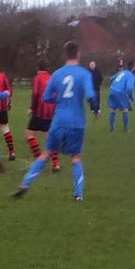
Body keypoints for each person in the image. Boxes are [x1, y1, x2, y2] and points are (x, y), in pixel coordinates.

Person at [15, 42, 97, 201]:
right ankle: (78, 195)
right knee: (75, 157)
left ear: (65, 54)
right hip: (77, 121)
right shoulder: (84, 73)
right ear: (78, 54)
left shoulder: (57, 74)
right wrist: (96, 109)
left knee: (45, 154)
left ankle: (25, 184)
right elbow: (90, 95)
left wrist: (59, 99)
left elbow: (46, 97)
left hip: (59, 120)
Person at [25, 59, 60, 173]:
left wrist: (32, 108)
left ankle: (40, 159)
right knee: (49, 136)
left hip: (40, 110)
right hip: (52, 110)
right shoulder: (53, 77)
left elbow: (35, 93)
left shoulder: (37, 78)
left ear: (37, 68)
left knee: (29, 134)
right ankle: (55, 164)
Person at [107, 60, 135, 131]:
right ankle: (126, 129)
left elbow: (112, 78)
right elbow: (129, 88)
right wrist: (131, 97)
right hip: (119, 92)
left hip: (112, 90)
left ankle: (112, 128)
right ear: (133, 68)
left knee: (113, 109)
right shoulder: (130, 75)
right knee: (125, 109)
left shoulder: (122, 72)